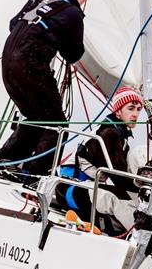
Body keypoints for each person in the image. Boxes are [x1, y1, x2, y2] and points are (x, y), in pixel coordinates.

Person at [0, 0, 96, 177]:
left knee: (37, 114)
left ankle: (7, 160)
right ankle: (35, 173)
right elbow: (73, 54)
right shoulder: (74, 14)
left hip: (8, 63)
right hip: (30, 64)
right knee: (57, 123)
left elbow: (13, 24)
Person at [56, 87, 144, 233]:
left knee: (130, 199)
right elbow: (118, 176)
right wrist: (141, 191)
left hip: (82, 188)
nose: (135, 114)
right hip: (69, 188)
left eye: (138, 109)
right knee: (115, 198)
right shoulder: (109, 134)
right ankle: (143, 238)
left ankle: (129, 230)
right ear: (118, 111)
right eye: (131, 108)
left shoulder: (120, 137)